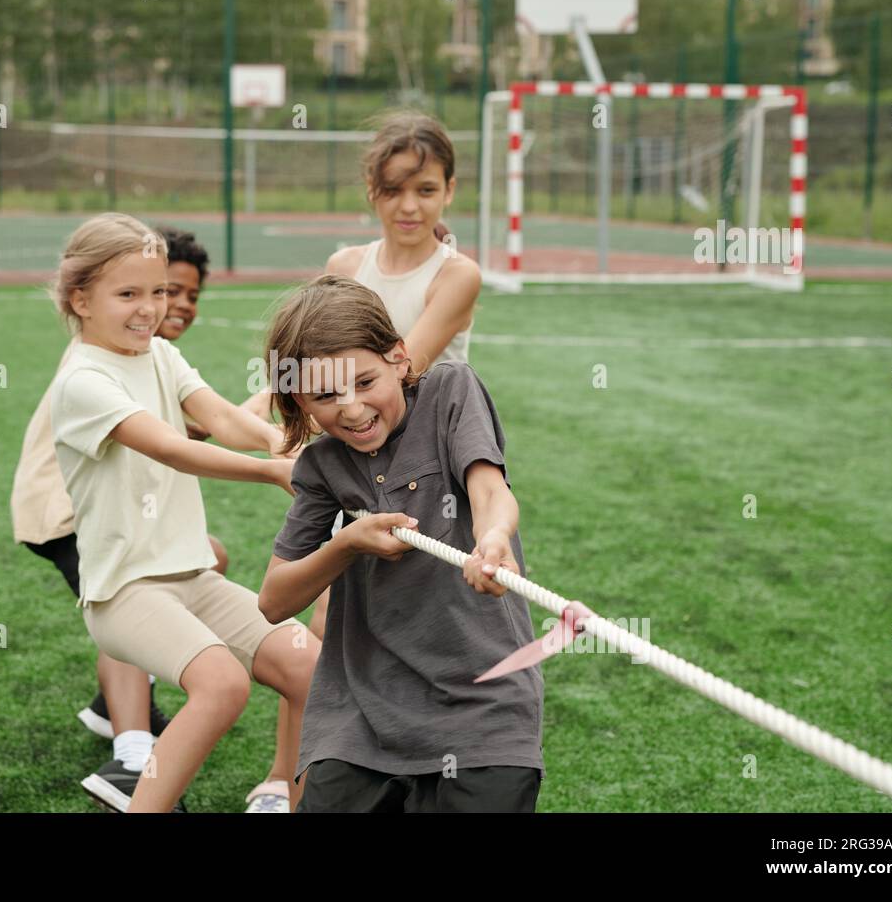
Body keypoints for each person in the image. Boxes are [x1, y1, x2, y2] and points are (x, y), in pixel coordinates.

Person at [49, 212, 318, 813]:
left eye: (159, 292)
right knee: (221, 685)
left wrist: (284, 443)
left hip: (192, 576)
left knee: (312, 669)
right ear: (80, 299)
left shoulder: (160, 355)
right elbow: (174, 448)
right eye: (128, 294)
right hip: (126, 590)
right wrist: (273, 470)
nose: (149, 309)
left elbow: (223, 419)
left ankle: (291, 801)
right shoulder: (82, 382)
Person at [258, 275, 543, 813]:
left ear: (398, 357)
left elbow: (488, 488)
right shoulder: (322, 467)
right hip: (360, 714)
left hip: (485, 705)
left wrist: (494, 537)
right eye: (324, 395)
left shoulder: (451, 392)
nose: (350, 409)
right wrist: (346, 546)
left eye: (365, 381)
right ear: (297, 398)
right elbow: (274, 600)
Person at [302, 110, 483, 641]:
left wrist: (324, 405)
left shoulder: (456, 274)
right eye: (393, 189)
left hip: (430, 461)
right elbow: (311, 360)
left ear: (449, 190)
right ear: (371, 190)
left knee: (429, 623)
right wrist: (232, 417)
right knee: (325, 627)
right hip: (357, 454)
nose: (409, 205)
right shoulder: (345, 265)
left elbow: (403, 372)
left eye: (426, 189)